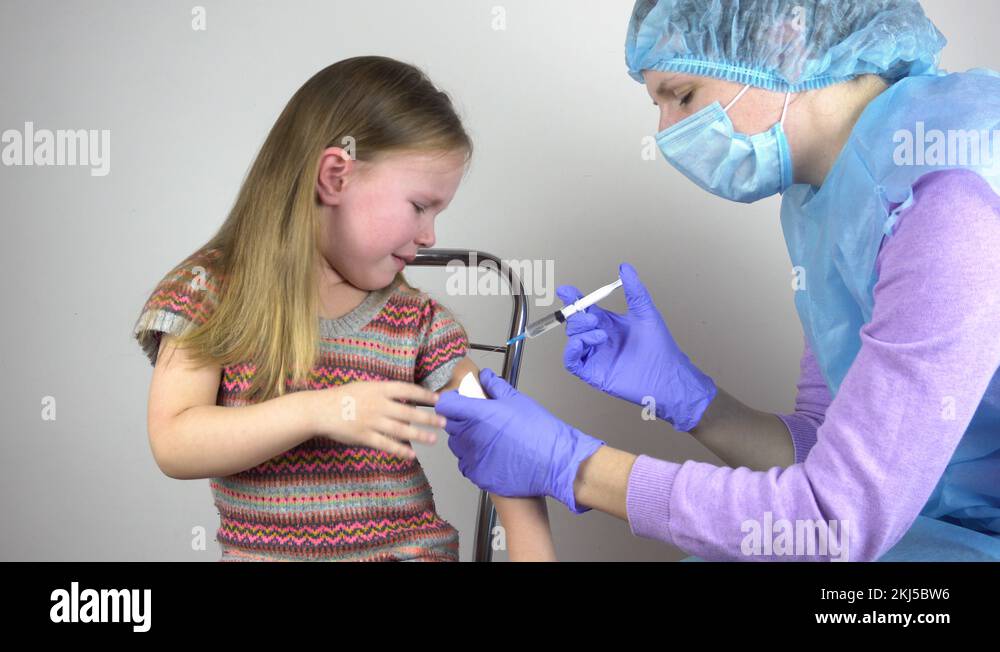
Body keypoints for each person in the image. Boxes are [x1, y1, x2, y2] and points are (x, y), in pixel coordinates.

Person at [435, 0, 1000, 561]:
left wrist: (570, 464)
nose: (664, 132)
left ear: (787, 38)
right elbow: (824, 455)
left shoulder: (946, 198)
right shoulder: (825, 205)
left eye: (681, 96)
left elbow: (831, 520)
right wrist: (692, 399)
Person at [132, 56, 556, 561]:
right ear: (335, 176)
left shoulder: (412, 322)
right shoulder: (209, 293)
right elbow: (175, 442)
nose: (429, 236)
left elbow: (497, 439)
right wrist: (317, 410)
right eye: (420, 206)